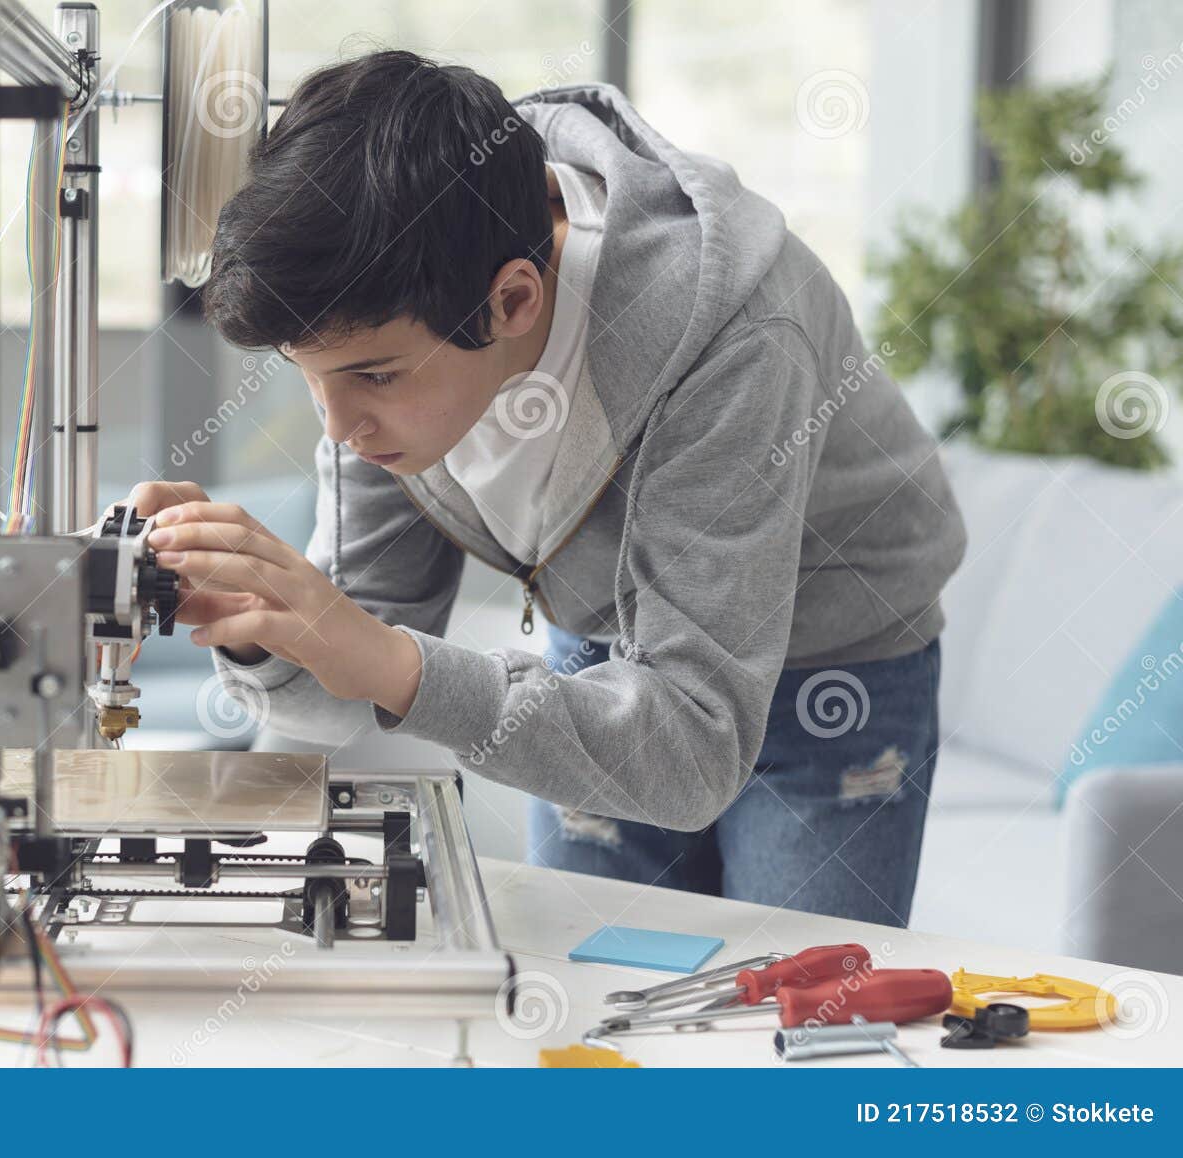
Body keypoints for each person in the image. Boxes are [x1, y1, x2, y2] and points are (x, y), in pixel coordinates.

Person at [118, 49, 967, 927]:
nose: (336, 429)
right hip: (601, 643)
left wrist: (392, 661)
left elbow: (693, 744)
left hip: (836, 663)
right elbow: (356, 658)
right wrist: (260, 623)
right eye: (311, 378)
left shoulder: (732, 337)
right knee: (590, 993)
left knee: (793, 1027)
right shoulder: (395, 287)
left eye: (372, 378)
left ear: (512, 301)